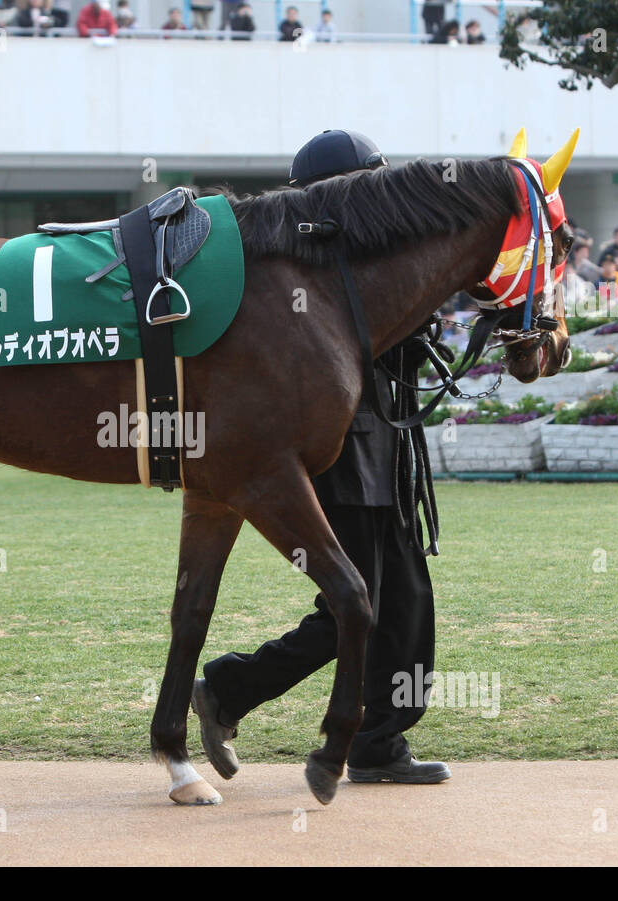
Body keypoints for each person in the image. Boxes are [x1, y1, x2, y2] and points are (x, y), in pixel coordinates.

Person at [193, 130, 451, 788]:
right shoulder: (308, 263)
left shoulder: (367, 257)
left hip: (382, 446)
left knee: (406, 601)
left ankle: (379, 741)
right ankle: (228, 687)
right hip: (341, 449)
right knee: (350, 604)